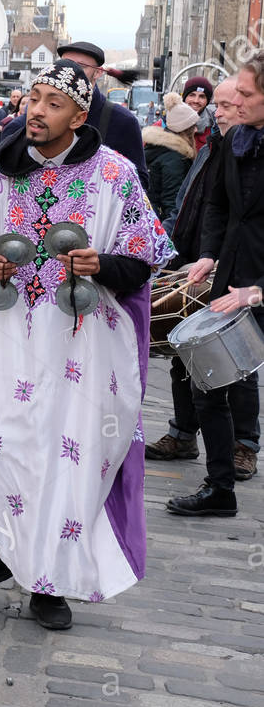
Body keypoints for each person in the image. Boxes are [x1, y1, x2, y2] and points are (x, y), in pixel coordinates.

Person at [0, 58, 175, 630]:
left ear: (78, 114)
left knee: (63, 454)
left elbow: (143, 257)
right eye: (33, 99)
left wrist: (104, 265)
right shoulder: (0, 169)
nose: (37, 111)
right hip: (10, 330)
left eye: (52, 103)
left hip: (82, 342)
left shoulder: (114, 173)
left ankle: (51, 579)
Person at [146, 76, 259, 481]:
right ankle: (185, 436)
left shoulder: (242, 146)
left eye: (234, 101)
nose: (222, 110)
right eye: (222, 104)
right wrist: (199, 254)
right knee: (185, 352)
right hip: (204, 259)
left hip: (246, 273)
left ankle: (243, 445)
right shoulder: (218, 144)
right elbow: (207, 204)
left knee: (239, 359)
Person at [171, 53, 264, 518]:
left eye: (246, 95)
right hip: (231, 276)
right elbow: (218, 206)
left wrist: (257, 290)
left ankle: (245, 449)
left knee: (242, 379)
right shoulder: (235, 140)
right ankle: (219, 487)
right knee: (208, 379)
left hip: (258, 283)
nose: (234, 102)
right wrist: (209, 254)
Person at [1, 40, 150, 193]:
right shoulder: (20, 127)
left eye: (80, 66)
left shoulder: (122, 122)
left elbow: (138, 185)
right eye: (64, 65)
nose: (70, 72)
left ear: (98, 72)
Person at [142, 92, 199, 220]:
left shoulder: (161, 148)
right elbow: (172, 202)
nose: (196, 130)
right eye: (192, 127)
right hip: (164, 225)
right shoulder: (175, 158)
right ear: (185, 129)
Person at [182, 75, 214, 151]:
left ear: (207, 101)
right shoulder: (165, 124)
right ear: (184, 98)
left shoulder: (216, 128)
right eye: (192, 95)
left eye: (202, 96)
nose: (196, 101)